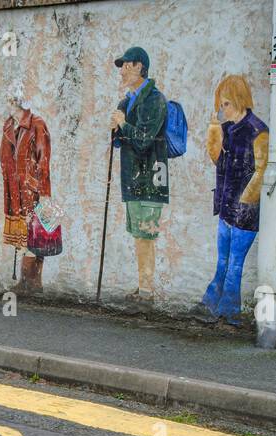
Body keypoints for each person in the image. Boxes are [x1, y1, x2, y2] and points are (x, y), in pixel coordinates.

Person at [203, 74, 269, 322]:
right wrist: (213, 130)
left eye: (226, 104)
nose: (223, 110)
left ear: (240, 101)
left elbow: (261, 171)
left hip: (244, 213)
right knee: (223, 261)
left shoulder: (257, 131)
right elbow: (216, 160)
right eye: (221, 105)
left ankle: (228, 312)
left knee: (235, 265)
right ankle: (213, 306)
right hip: (225, 207)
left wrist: (245, 202)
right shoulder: (227, 129)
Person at [110, 46, 168, 301]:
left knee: (146, 234)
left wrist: (123, 123)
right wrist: (116, 129)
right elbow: (122, 141)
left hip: (151, 178)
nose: (122, 70)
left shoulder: (154, 100)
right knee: (139, 235)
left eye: (127, 65)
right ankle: (143, 287)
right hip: (133, 178)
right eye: (122, 65)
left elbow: (144, 140)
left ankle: (146, 290)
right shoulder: (127, 101)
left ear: (140, 67)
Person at [0, 87, 52, 294]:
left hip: (32, 189)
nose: (7, 105)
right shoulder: (8, 125)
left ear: (17, 102)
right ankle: (27, 281)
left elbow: (44, 160)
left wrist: (44, 193)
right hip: (13, 188)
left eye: (10, 101)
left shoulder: (37, 124)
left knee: (34, 233)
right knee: (22, 233)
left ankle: (32, 281)